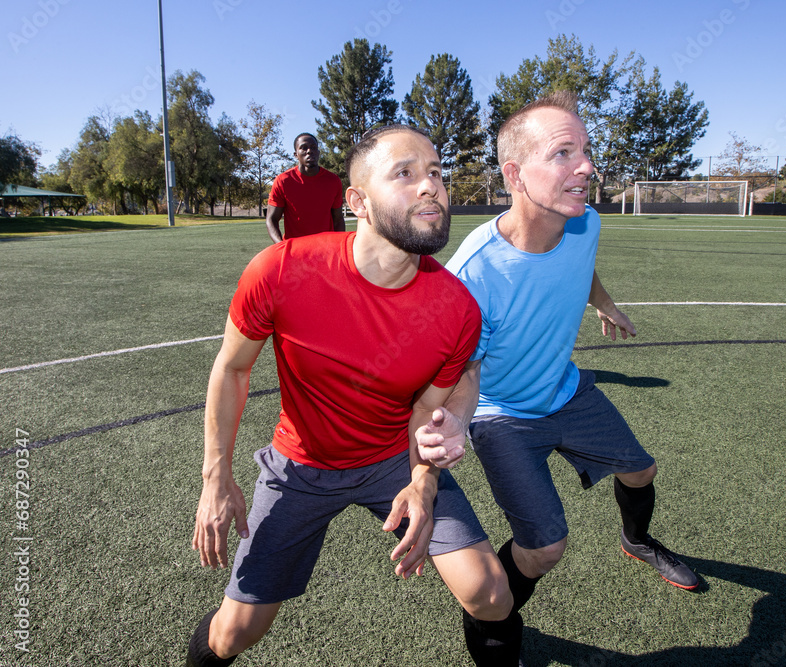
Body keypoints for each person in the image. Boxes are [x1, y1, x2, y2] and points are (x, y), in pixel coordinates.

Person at [187, 125, 522, 666]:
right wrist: (216, 475)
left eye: (436, 172)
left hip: (391, 456)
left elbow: (424, 412)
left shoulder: (456, 309)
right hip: (300, 464)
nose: (431, 186)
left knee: (490, 592)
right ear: (358, 202)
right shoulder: (281, 270)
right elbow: (231, 369)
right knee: (235, 633)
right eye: (406, 174)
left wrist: (423, 482)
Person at [445, 91, 699, 636]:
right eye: (563, 153)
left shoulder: (584, 221)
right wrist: (448, 432)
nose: (586, 166)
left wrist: (604, 302)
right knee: (544, 550)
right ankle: (492, 621)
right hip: (502, 414)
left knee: (642, 470)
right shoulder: (474, 274)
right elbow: (458, 371)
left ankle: (637, 540)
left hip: (566, 390)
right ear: (515, 175)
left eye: (586, 150)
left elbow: (581, 265)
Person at [265, 132, 345, 243]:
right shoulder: (283, 181)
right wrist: (282, 247)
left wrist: (338, 246)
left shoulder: (333, 181)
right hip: (295, 252)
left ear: (318, 152)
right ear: (296, 154)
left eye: (313, 147)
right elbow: (271, 219)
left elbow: (338, 219)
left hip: (325, 249)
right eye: (303, 148)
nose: (309, 151)